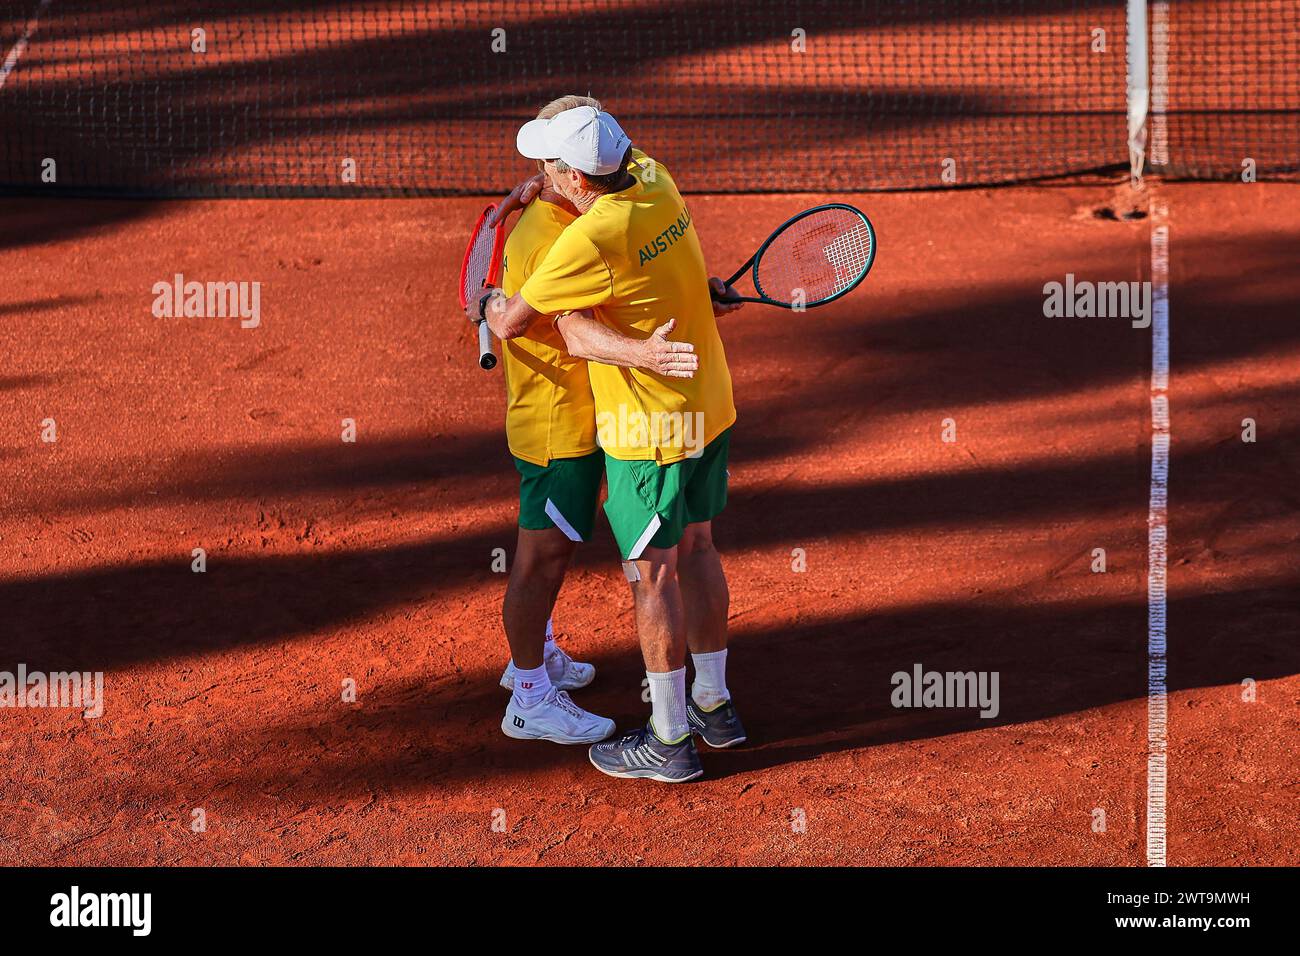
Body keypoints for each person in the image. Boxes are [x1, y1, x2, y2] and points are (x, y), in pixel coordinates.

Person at [468, 105, 746, 782]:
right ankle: (714, 706)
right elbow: (660, 264)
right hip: (707, 406)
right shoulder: (655, 178)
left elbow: (550, 329)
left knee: (652, 574)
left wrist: (489, 308)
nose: (539, 172)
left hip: (645, 430)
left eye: (549, 164)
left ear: (577, 178)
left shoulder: (587, 239)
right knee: (700, 546)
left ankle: (670, 740)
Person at [491, 97, 698, 746]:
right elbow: (567, 331)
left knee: (549, 553)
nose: (541, 168)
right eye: (543, 162)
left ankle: (538, 653)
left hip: (579, 416)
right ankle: (527, 695)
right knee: (541, 558)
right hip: (558, 427)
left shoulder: (580, 208)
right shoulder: (552, 240)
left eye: (549, 159)